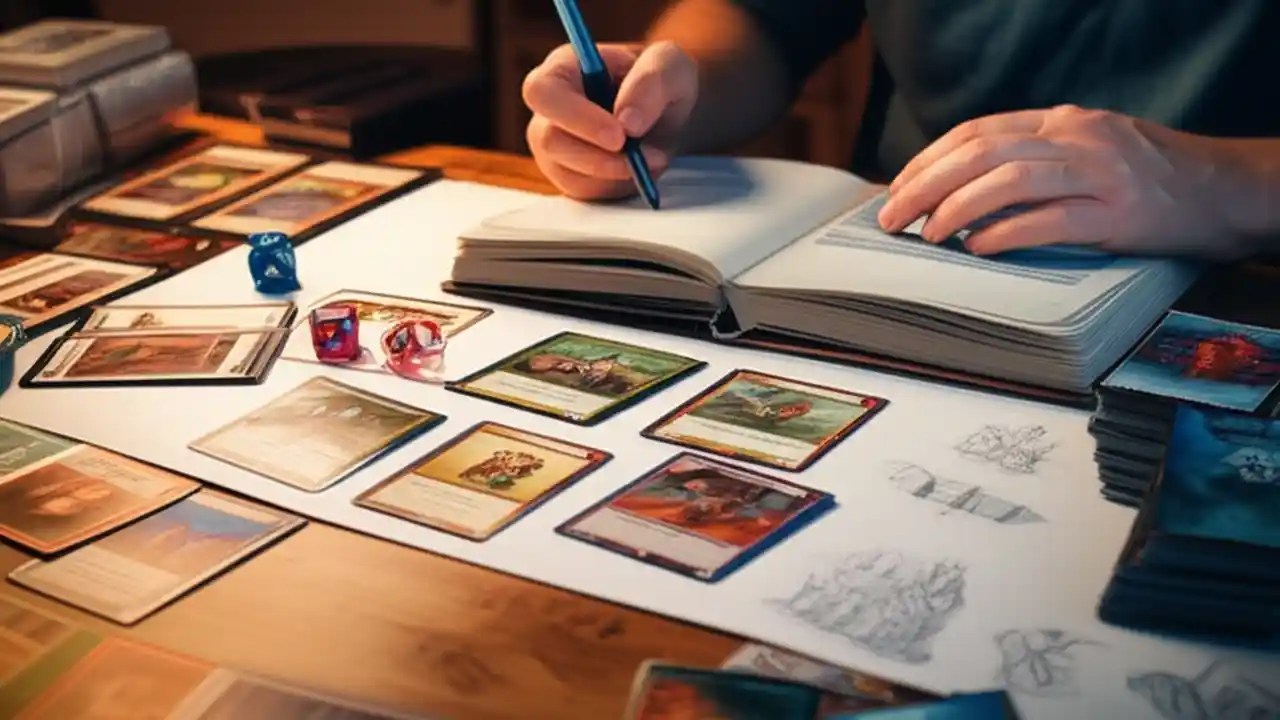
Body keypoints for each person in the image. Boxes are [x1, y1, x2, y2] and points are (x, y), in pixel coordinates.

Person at [522, 1, 1279, 259]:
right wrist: (665, 95)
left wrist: (1222, 179)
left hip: (1236, 294)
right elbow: (759, 19)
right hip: (902, 260)